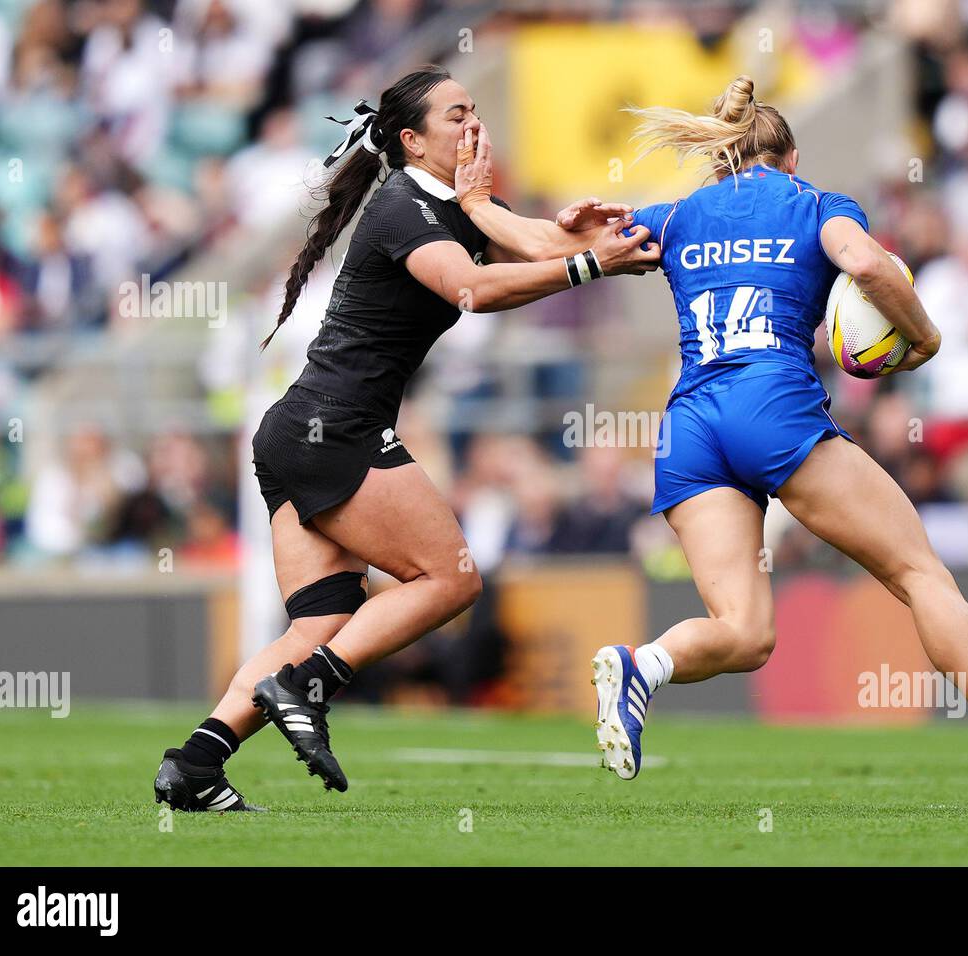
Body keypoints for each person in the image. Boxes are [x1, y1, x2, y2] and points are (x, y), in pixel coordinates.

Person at [455, 76, 968, 803]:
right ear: (792, 159)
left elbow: (547, 242)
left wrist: (479, 204)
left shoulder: (676, 216)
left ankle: (643, 666)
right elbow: (866, 264)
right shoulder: (818, 205)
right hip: (773, 410)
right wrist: (923, 335)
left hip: (691, 429)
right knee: (920, 574)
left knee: (744, 632)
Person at [153, 65, 659, 811]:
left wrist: (596, 235)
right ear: (414, 141)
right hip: (338, 428)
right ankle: (306, 687)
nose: (474, 125)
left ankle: (194, 765)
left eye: (477, 111)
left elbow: (529, 238)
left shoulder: (458, 204)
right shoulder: (401, 206)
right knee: (452, 579)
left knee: (322, 624)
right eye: (457, 116)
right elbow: (474, 290)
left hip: (298, 432)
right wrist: (587, 262)